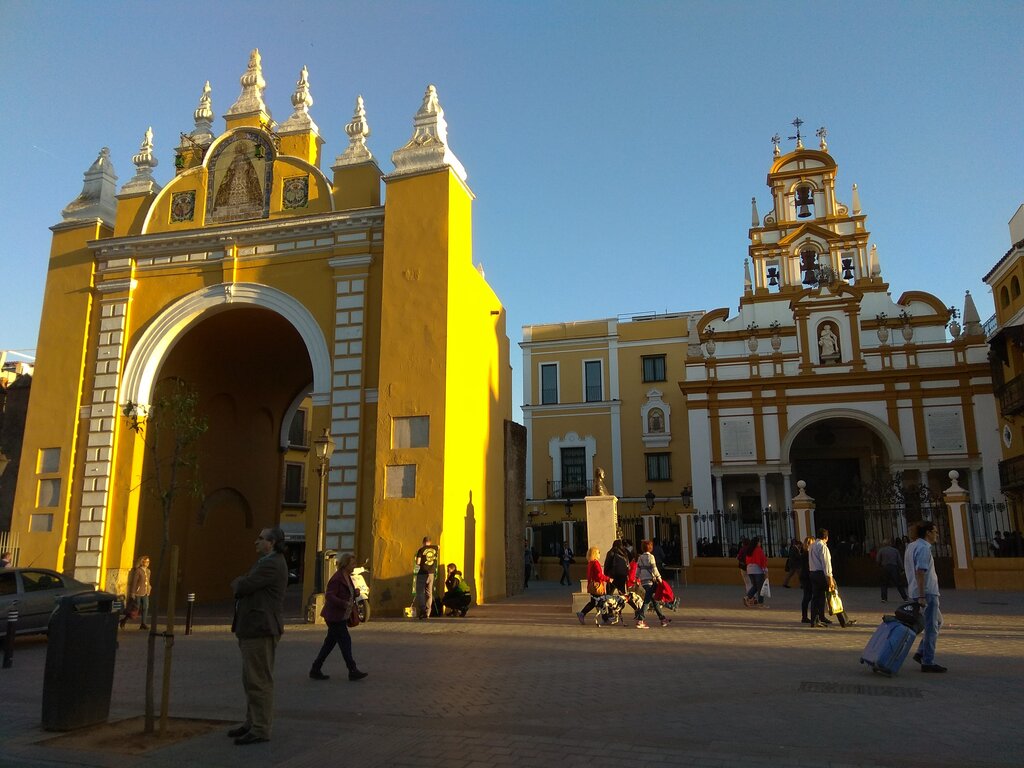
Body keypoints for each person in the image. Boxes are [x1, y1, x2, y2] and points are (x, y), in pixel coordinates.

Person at [228, 527, 289, 745]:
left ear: (271, 543)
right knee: (250, 678)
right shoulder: (265, 561)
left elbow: (244, 584)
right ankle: (251, 722)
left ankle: (261, 728)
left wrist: (239, 583)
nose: (256, 542)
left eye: (261, 538)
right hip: (253, 626)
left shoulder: (272, 564)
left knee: (259, 680)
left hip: (261, 627)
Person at [309, 553, 368, 682]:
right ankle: (352, 670)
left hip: (340, 616)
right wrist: (343, 603)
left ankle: (315, 668)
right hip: (335, 616)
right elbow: (330, 596)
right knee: (345, 641)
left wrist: (355, 592)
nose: (354, 566)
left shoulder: (347, 576)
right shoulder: (337, 578)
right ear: (345, 564)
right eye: (352, 564)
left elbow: (347, 591)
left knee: (329, 643)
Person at [905, 521, 946, 673]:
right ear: (928, 533)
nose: (936, 534)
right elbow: (920, 572)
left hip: (918, 590)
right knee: (931, 627)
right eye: (935, 531)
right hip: (926, 592)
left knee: (938, 622)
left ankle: (921, 652)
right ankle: (928, 661)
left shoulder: (912, 546)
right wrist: (922, 596)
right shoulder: (923, 548)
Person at [634, 540, 670, 629]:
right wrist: (660, 579)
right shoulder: (651, 557)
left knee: (654, 600)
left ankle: (662, 618)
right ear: (650, 548)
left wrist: (636, 578)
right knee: (647, 600)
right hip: (651, 581)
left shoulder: (640, 557)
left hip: (643, 581)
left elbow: (638, 569)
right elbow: (654, 569)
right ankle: (640, 620)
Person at [576, 547, 611, 624]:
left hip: (592, 586)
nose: (599, 554)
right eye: (598, 552)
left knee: (593, 602)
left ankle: (582, 613)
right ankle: (605, 618)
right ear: (595, 554)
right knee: (601, 602)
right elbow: (599, 575)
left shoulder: (590, 563)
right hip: (598, 586)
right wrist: (608, 579)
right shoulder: (596, 563)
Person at [808, 529, 835, 628]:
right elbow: (826, 564)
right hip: (821, 574)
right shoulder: (823, 547)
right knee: (834, 593)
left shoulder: (812, 546)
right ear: (826, 537)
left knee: (816, 597)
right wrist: (830, 578)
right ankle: (843, 619)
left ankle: (815, 619)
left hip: (813, 573)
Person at [876, 538, 908, 602]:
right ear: (890, 543)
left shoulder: (881, 550)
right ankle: (905, 598)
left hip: (884, 567)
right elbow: (899, 560)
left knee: (884, 583)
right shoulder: (895, 550)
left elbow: (878, 560)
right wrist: (902, 568)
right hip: (893, 567)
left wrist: (879, 566)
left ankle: (884, 598)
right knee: (898, 583)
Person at [414, 536, 439, 618]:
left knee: (420, 592)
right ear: (430, 542)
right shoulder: (435, 548)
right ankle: (428, 612)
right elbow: (438, 546)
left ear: (423, 542)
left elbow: (418, 562)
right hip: (431, 573)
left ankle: (423, 609)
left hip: (422, 573)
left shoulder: (421, 550)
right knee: (429, 593)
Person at [126, 555, 152, 630]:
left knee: (145, 607)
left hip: (145, 592)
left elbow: (148, 581)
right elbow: (134, 582)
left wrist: (149, 588)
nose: (147, 563)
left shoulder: (148, 571)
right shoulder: (138, 570)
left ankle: (143, 623)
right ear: (142, 562)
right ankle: (126, 618)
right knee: (136, 607)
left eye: (148, 562)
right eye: (146, 561)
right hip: (138, 592)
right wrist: (133, 592)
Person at [743, 536, 769, 607]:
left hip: (750, 570)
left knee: (755, 586)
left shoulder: (750, 550)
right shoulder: (759, 550)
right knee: (760, 587)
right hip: (757, 570)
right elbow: (762, 560)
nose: (760, 543)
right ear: (757, 543)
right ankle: (761, 603)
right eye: (759, 542)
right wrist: (765, 570)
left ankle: (747, 597)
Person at [799, 536, 815, 624]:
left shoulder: (804, 553)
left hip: (805, 577)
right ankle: (805, 616)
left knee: (807, 597)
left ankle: (805, 616)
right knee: (808, 597)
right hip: (807, 577)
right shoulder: (807, 554)